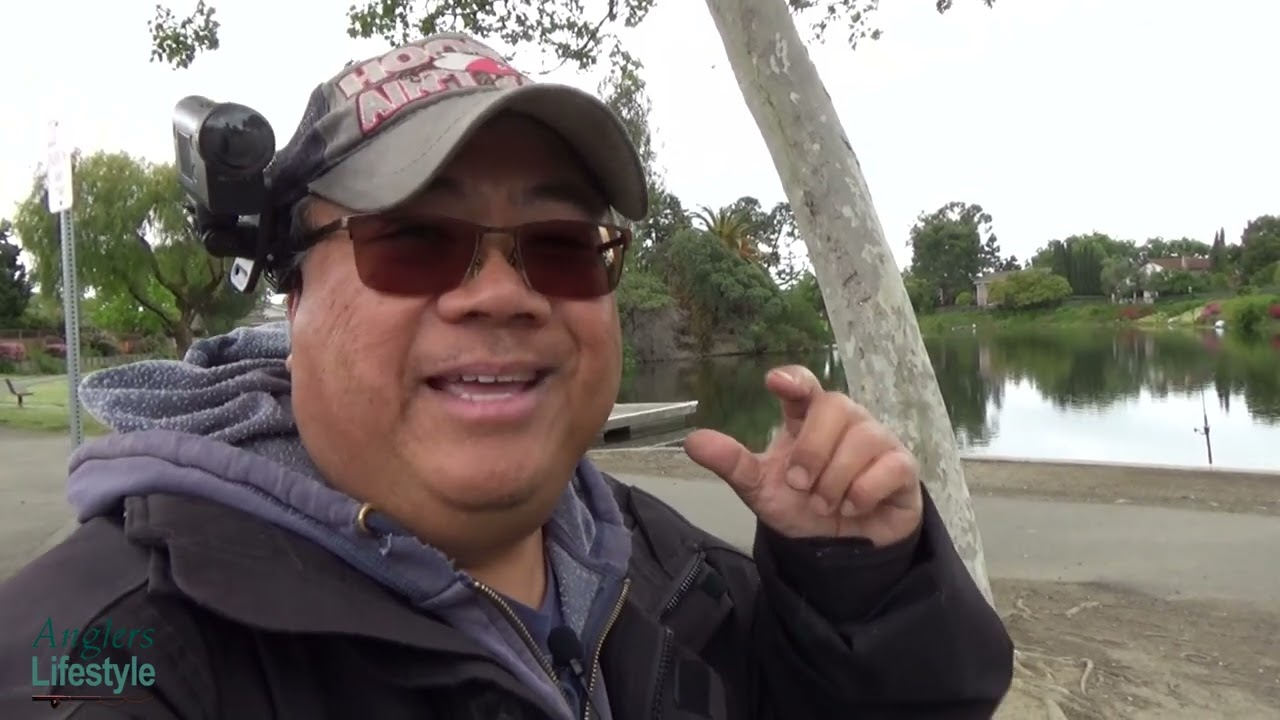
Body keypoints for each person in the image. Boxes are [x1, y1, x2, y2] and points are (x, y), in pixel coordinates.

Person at [0, 32, 1012, 719]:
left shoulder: (665, 567)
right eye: (416, 237)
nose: (500, 293)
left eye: (559, 243)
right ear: (293, 295)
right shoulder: (101, 656)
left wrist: (854, 597)